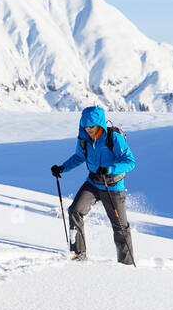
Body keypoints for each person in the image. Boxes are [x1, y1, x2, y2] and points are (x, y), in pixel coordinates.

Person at [51, 105, 136, 265]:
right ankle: (78, 255)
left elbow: (130, 161)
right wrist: (62, 168)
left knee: (120, 227)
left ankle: (126, 264)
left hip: (113, 186)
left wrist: (111, 168)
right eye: (86, 126)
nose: (88, 129)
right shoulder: (84, 139)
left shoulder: (113, 137)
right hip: (93, 182)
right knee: (75, 211)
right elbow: (79, 157)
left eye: (92, 126)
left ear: (100, 124)